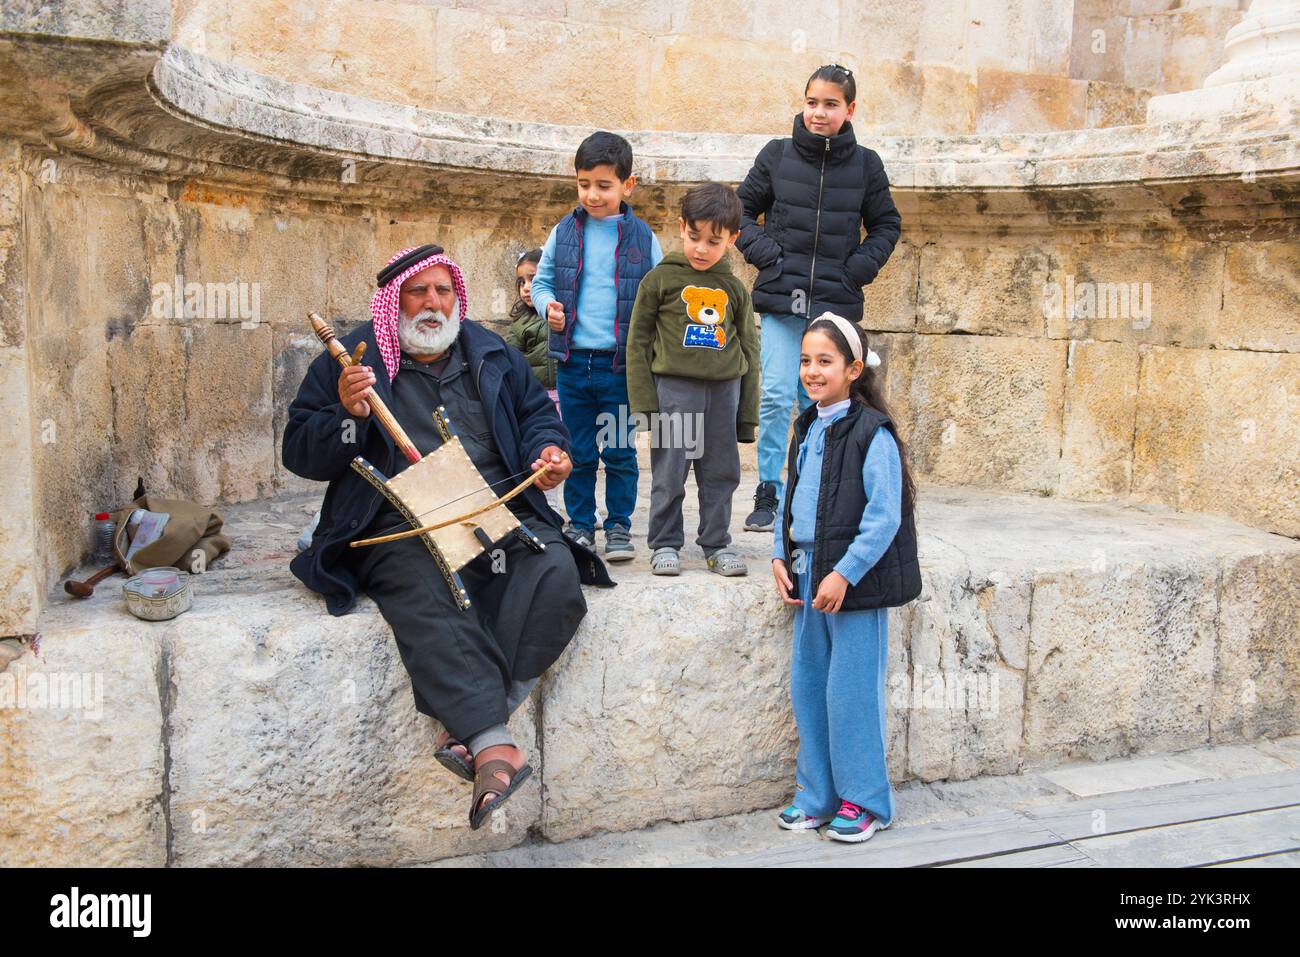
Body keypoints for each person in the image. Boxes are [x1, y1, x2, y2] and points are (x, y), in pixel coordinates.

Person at [282, 244, 612, 831]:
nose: (433, 304)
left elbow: (538, 413)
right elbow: (301, 452)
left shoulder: (490, 352)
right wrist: (348, 415)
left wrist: (547, 450)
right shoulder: (353, 363)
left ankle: (473, 722)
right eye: (418, 292)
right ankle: (493, 746)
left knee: (556, 574)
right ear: (394, 301)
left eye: (444, 292)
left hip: (494, 507)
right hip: (398, 523)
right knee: (428, 589)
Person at [769, 313, 921, 843]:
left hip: (850, 586)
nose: (812, 371)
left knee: (850, 692)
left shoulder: (870, 432)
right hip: (809, 577)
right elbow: (790, 500)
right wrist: (778, 555)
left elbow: (884, 515)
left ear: (854, 368)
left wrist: (844, 574)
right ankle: (817, 796)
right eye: (806, 360)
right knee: (810, 689)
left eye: (825, 362)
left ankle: (865, 800)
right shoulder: (806, 425)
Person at [736, 63, 902, 533]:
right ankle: (768, 489)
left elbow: (887, 224)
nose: (819, 113)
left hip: (834, 307)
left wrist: (856, 271)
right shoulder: (777, 155)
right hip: (782, 302)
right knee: (774, 396)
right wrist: (768, 255)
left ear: (849, 110)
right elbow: (741, 211)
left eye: (830, 104)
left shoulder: (866, 165)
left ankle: (808, 487)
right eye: (812, 102)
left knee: (823, 399)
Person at [529, 131, 664, 562]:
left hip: (620, 367)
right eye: (584, 183)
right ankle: (581, 524)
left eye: (603, 185)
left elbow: (660, 293)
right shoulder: (564, 232)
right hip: (572, 363)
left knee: (621, 451)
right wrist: (546, 303)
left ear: (628, 185)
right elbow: (544, 280)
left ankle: (619, 525)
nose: (592, 194)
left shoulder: (643, 238)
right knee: (580, 451)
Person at [624, 182, 759, 577]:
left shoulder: (734, 288)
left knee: (721, 473)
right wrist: (644, 406)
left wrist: (746, 415)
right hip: (675, 392)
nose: (702, 248)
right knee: (670, 472)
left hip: (724, 393)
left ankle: (716, 543)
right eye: (695, 236)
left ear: (732, 240)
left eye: (714, 241)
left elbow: (750, 352)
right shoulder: (659, 281)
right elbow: (637, 345)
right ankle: (664, 542)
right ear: (682, 227)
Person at [505, 247, 563, 511]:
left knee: (573, 455)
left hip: (567, 396)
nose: (527, 288)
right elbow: (510, 362)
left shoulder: (563, 316)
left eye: (533, 279)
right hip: (539, 401)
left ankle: (583, 509)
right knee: (546, 457)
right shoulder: (520, 326)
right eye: (522, 282)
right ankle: (548, 506)